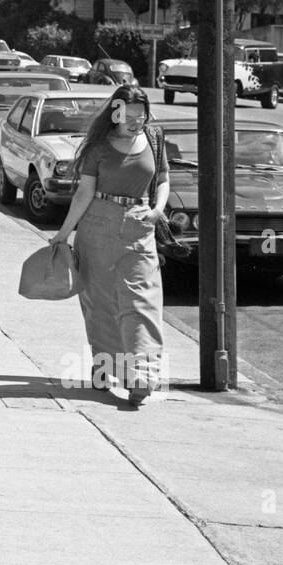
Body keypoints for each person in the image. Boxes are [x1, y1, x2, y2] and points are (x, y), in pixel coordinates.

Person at [49, 85, 169, 408]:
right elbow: (83, 194)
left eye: (140, 115)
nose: (134, 122)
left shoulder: (154, 139)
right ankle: (105, 366)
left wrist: (157, 211)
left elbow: (164, 180)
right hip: (97, 225)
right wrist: (63, 234)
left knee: (141, 302)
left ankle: (141, 377)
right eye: (127, 116)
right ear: (114, 114)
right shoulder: (98, 148)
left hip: (139, 226)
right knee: (99, 303)